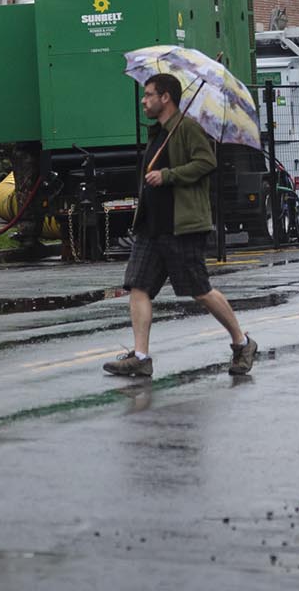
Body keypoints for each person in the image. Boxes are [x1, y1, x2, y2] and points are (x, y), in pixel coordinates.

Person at [104, 73, 257, 379]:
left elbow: (206, 163)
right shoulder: (159, 132)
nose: (144, 101)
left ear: (166, 98)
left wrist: (169, 175)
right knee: (138, 286)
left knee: (200, 290)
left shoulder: (187, 128)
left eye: (149, 95)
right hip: (152, 225)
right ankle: (141, 357)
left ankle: (242, 343)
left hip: (181, 224)